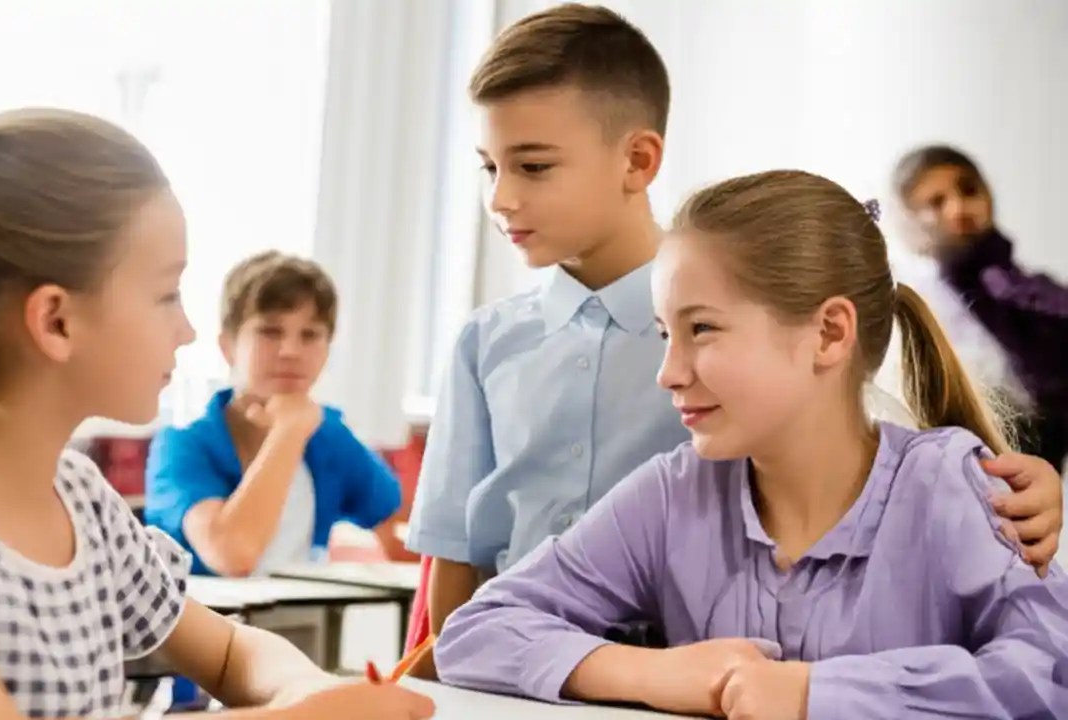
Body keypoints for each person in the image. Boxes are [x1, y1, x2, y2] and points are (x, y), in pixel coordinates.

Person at [404, 2, 1065, 675]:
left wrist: (1005, 492)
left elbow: (850, 446)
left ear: (639, 158)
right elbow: (455, 571)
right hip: (547, 679)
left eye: (534, 166)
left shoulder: (744, 299)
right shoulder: (491, 347)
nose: (499, 199)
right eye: (489, 167)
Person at [0, 110, 433, 720]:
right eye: (167, 294)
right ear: (57, 320)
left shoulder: (80, 500)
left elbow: (234, 651)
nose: (185, 330)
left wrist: (312, 690)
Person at [435, 170, 1068, 719]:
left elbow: (1049, 677)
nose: (669, 372)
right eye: (665, 334)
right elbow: (475, 631)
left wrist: (814, 694)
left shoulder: (947, 483)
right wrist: (660, 674)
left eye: (702, 329)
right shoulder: (672, 493)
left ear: (828, 333)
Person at [146, 252, 403, 578]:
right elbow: (233, 555)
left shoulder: (328, 435)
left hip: (304, 623)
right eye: (269, 332)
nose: (291, 351)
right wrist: (289, 431)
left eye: (310, 335)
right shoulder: (183, 444)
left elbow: (394, 520)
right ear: (228, 346)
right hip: (206, 623)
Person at [893, 145, 1068, 471]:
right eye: (936, 202)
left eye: (969, 190)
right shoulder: (907, 306)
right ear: (908, 218)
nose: (958, 209)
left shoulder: (1039, 300)